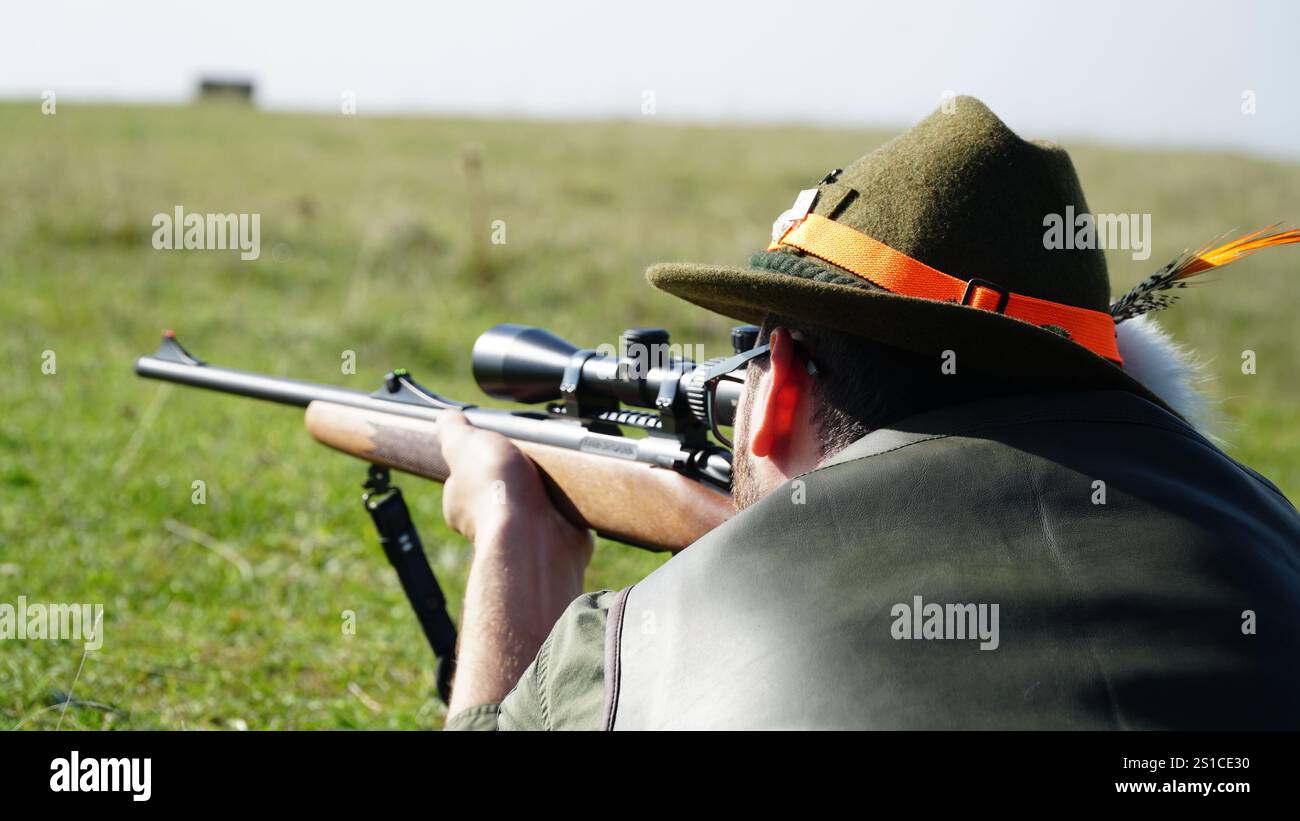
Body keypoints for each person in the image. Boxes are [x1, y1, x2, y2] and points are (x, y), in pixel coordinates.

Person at [438, 97, 1300, 730]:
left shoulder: (644, 640)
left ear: (775, 385)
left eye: (748, 349)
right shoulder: (1274, 537)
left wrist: (514, 536)